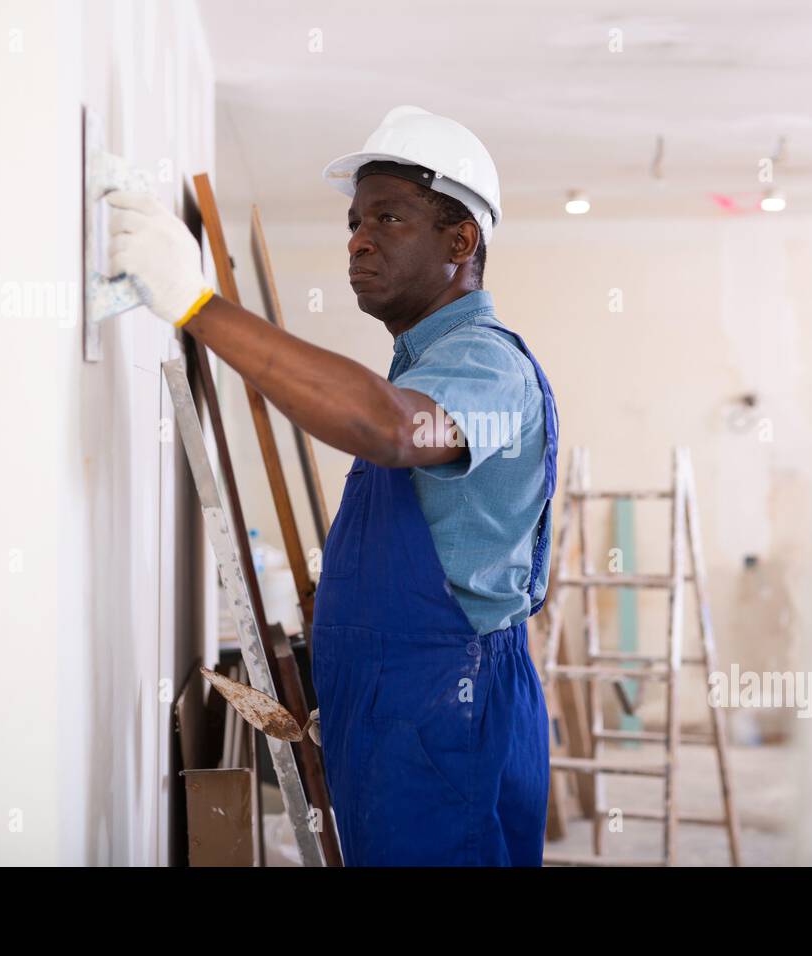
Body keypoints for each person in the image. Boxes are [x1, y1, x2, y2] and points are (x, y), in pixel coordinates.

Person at [107, 105, 558, 866]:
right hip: (401, 712)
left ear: (461, 240)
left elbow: (385, 426)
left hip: (450, 714)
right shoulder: (423, 365)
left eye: (388, 217)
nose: (357, 239)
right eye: (353, 221)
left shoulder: (488, 367)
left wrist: (195, 304)